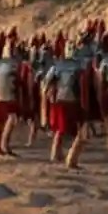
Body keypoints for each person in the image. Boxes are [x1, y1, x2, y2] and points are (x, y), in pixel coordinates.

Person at [40, 38, 90, 168]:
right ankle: (71, 160)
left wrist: (47, 99)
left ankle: (56, 154)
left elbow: (46, 84)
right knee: (81, 132)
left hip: (60, 101)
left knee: (60, 130)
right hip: (73, 101)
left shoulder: (57, 66)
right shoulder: (79, 67)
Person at [0, 39, 26, 157]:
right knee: (0, 122)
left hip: (11, 95)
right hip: (0, 96)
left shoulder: (16, 64)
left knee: (12, 120)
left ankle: (5, 145)